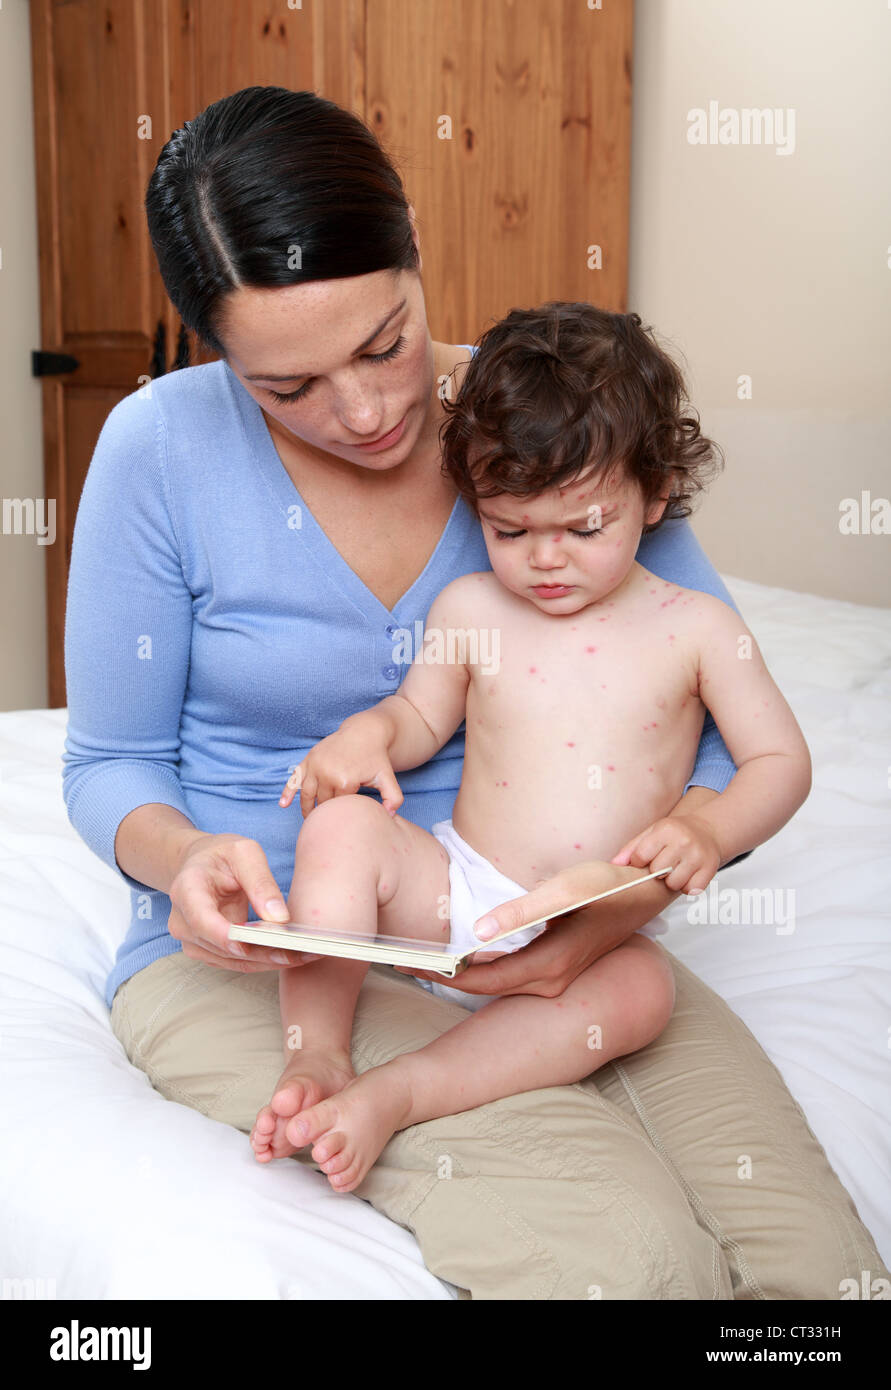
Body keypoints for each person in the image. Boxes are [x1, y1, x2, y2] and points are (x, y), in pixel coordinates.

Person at [63, 85, 888, 1298]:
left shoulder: (544, 427)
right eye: (286, 389)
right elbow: (107, 764)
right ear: (211, 352)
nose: (365, 412)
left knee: (817, 1270)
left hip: (550, 924)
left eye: (383, 343)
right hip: (281, 949)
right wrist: (181, 855)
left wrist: (592, 922)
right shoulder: (158, 451)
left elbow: (714, 733)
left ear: (413, 243)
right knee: (631, 1259)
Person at [249, 301, 813, 1195]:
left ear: (654, 494)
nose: (544, 559)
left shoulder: (697, 629)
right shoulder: (472, 608)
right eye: (509, 530)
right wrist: (369, 736)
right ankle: (316, 1052)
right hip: (456, 893)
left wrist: (707, 832)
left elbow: (780, 763)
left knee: (641, 995)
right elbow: (419, 717)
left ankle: (405, 1089)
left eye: (582, 528)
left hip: (591, 920)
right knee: (339, 832)